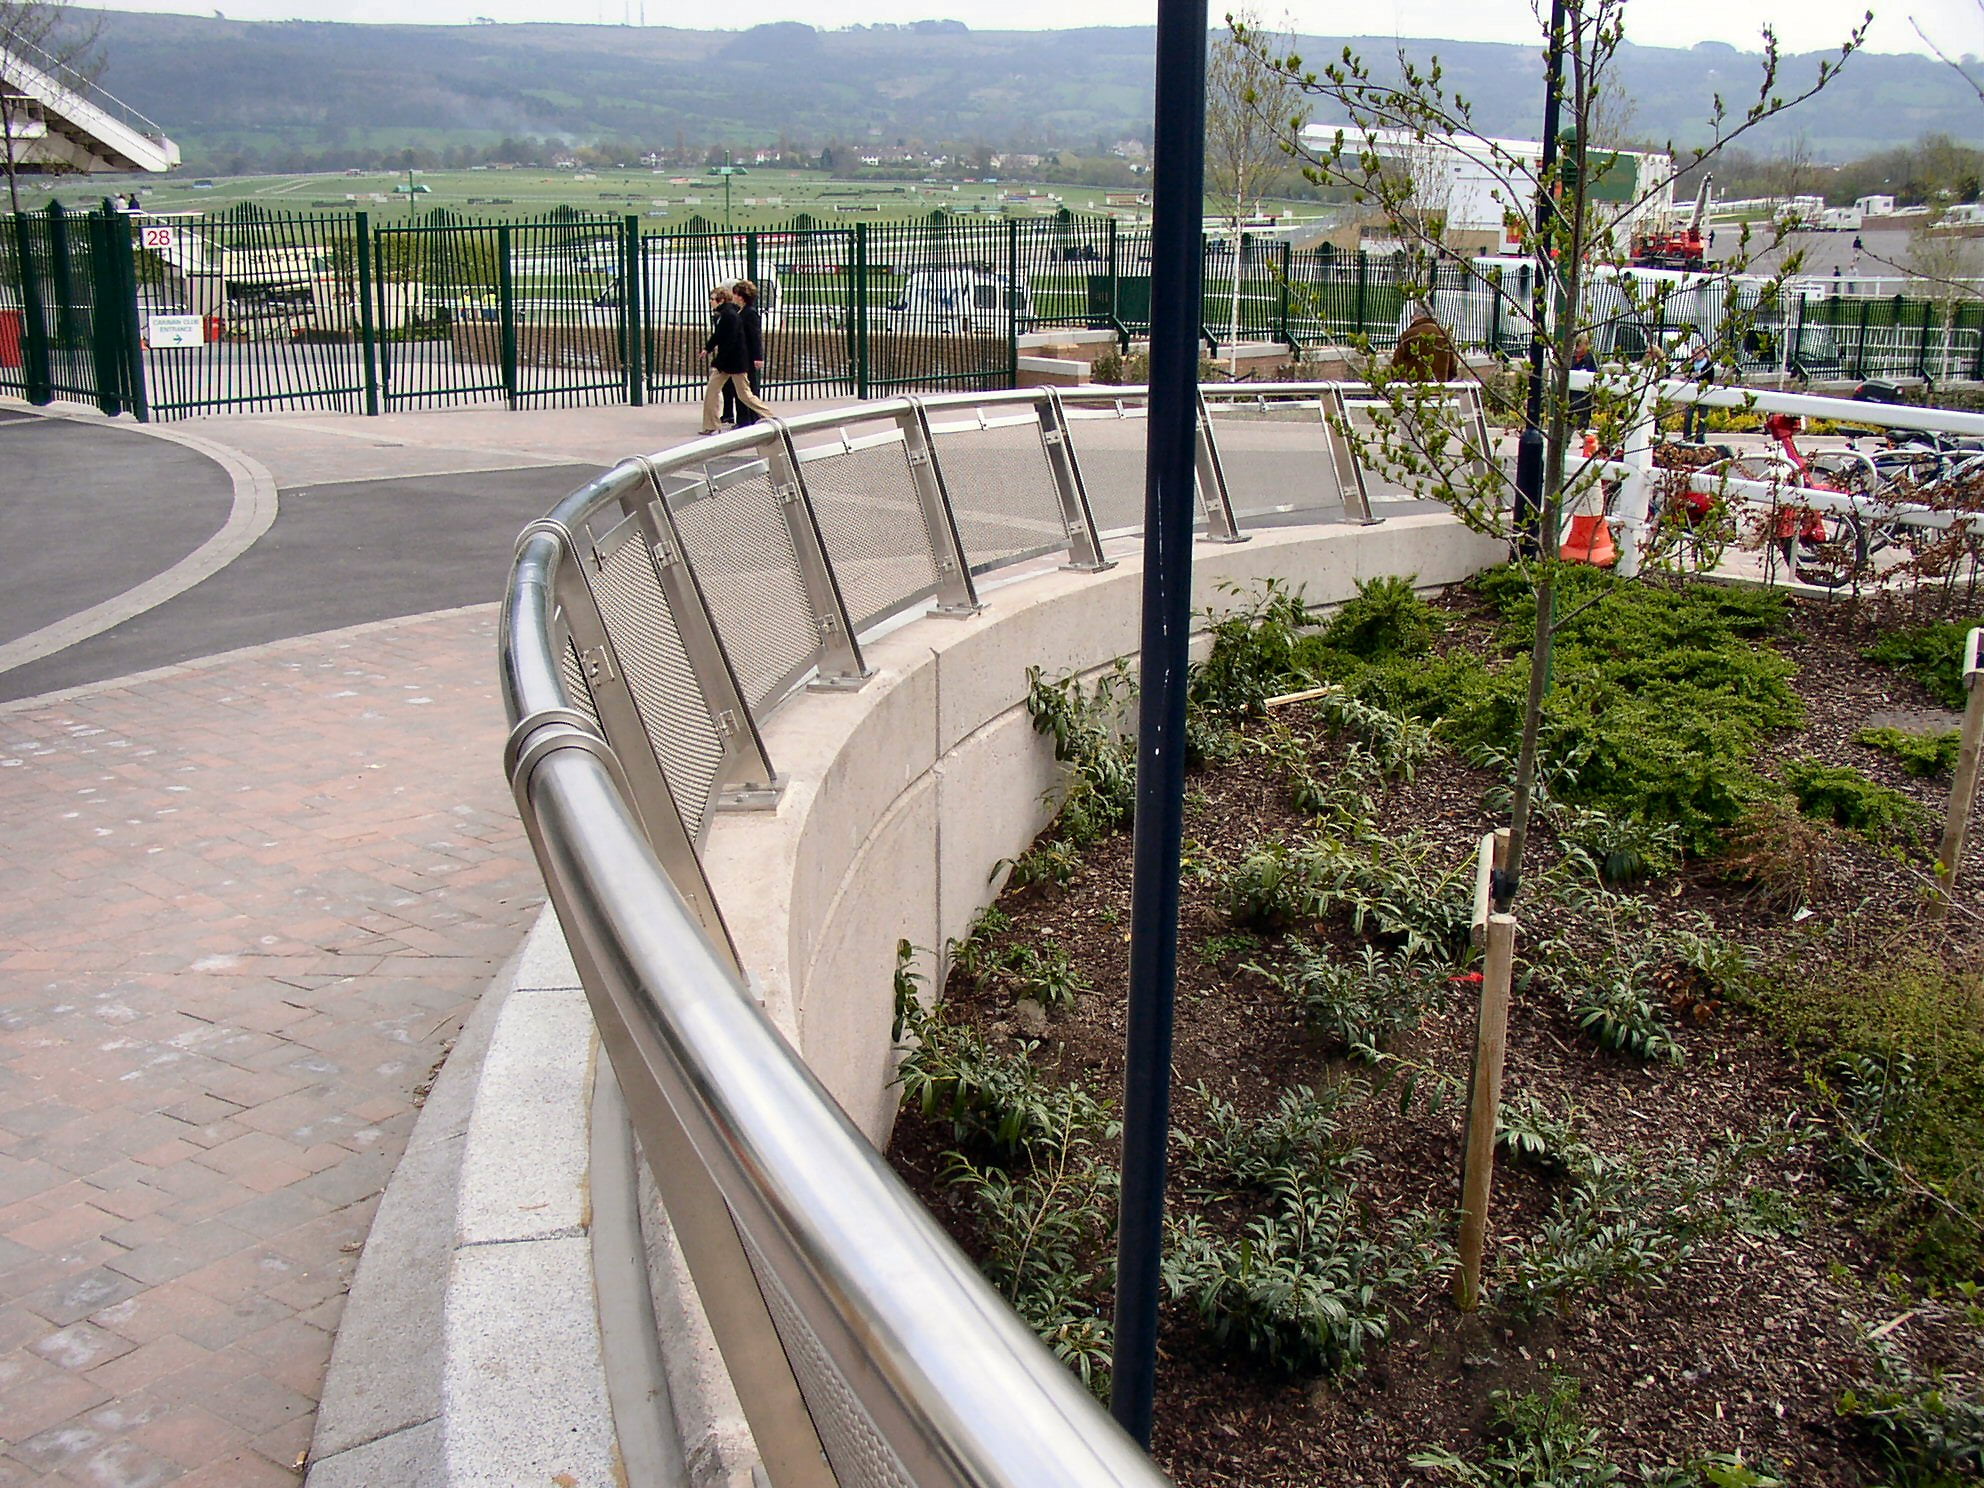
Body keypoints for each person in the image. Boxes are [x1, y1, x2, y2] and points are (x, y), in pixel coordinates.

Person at [701, 287, 773, 435]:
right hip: (730, 362)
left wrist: (718, 361)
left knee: (744, 394)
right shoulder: (726, 314)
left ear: (721, 300)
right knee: (714, 392)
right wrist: (708, 349)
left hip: (734, 363)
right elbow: (718, 335)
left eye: (713, 299)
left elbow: (730, 340)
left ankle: (770, 416)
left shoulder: (730, 315)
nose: (710, 302)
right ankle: (711, 424)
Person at [729, 279, 766, 429]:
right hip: (741, 355)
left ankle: (751, 418)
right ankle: (745, 418)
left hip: (748, 356)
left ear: (741, 296)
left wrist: (758, 357)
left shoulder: (750, 313)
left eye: (735, 294)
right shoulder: (741, 311)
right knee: (742, 389)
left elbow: (755, 336)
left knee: (747, 389)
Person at [1393, 307, 1458, 382]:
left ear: (1416, 316)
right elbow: (1453, 367)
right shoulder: (1445, 335)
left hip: (1415, 386)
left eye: (1412, 317)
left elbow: (1396, 365)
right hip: (1440, 385)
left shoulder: (1408, 335)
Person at [1679, 329, 1713, 443]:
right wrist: (1689, 366)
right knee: (1688, 415)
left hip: (1703, 392)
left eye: (1699, 353)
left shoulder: (1708, 365)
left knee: (1702, 417)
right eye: (1695, 353)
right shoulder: (1693, 364)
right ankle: (1686, 437)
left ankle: (1700, 438)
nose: (1697, 355)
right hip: (1691, 392)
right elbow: (1685, 372)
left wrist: (1700, 376)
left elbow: (1710, 379)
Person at [1568, 333, 1596, 431]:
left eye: (1580, 346)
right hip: (1571, 396)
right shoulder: (1571, 358)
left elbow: (1595, 375)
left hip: (1584, 397)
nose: (1577, 349)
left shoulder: (1589, 358)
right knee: (1569, 422)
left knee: (1582, 423)